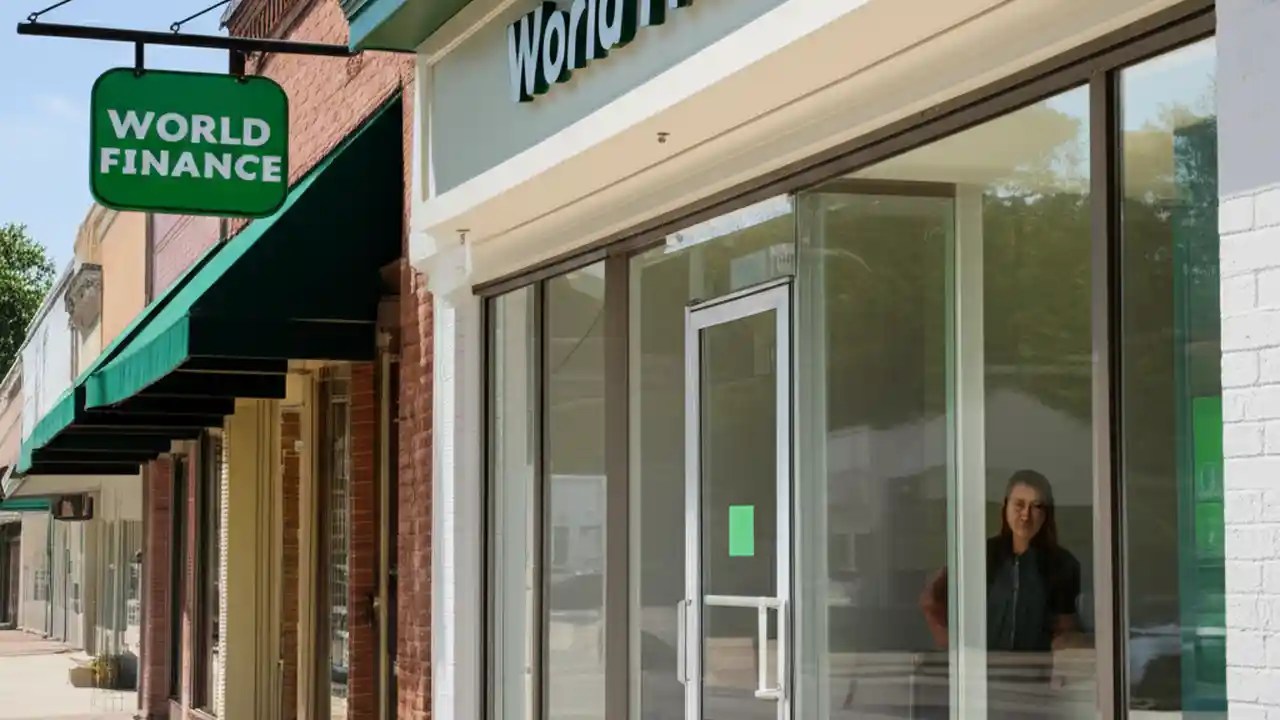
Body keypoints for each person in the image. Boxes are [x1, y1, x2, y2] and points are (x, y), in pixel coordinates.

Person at [919, 469, 1084, 654]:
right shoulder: (980, 556)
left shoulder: (1062, 565)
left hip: (1037, 674)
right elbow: (931, 601)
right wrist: (952, 647)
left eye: (1036, 506)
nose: (1025, 515)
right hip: (983, 673)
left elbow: (1066, 632)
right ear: (1005, 507)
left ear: (1046, 514)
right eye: (1019, 505)